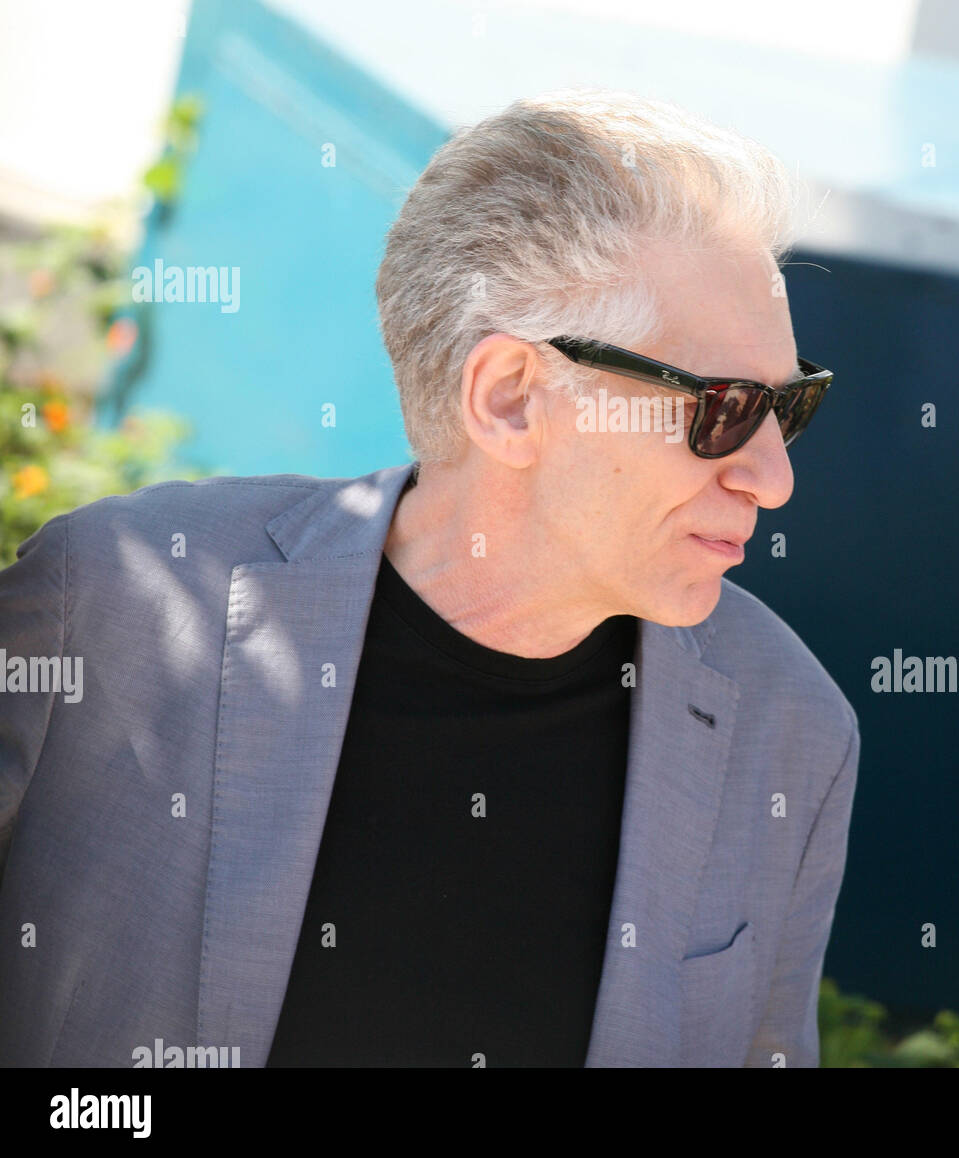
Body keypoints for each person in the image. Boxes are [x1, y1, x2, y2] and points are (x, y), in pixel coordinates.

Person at [0, 88, 859, 1068]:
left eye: (787, 407)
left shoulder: (790, 729)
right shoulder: (116, 606)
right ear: (510, 399)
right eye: (726, 407)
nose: (775, 479)